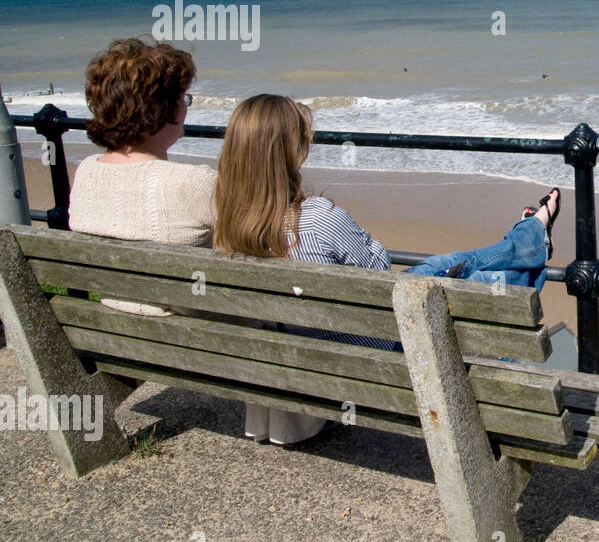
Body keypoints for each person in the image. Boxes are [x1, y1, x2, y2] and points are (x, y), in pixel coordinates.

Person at [213, 95, 558, 444]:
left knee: (442, 266)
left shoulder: (226, 225)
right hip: (372, 354)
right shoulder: (316, 217)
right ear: (291, 152)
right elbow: (378, 267)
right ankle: (531, 234)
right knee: (476, 279)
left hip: (300, 351)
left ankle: (529, 233)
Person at [69, 37, 216, 316]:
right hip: (194, 347)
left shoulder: (87, 171)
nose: (186, 107)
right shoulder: (196, 182)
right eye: (183, 98)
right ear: (166, 109)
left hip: (111, 337)